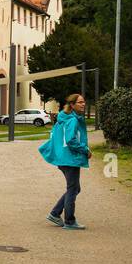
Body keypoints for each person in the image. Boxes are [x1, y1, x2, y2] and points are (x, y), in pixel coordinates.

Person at [40, 92, 91, 230]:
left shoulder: (65, 118)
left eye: (84, 101)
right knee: (73, 189)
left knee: (74, 188)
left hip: (63, 158)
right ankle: (69, 221)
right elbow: (70, 140)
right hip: (70, 158)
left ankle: (55, 213)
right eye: (80, 102)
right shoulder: (73, 120)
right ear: (72, 105)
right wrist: (85, 150)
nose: (83, 104)